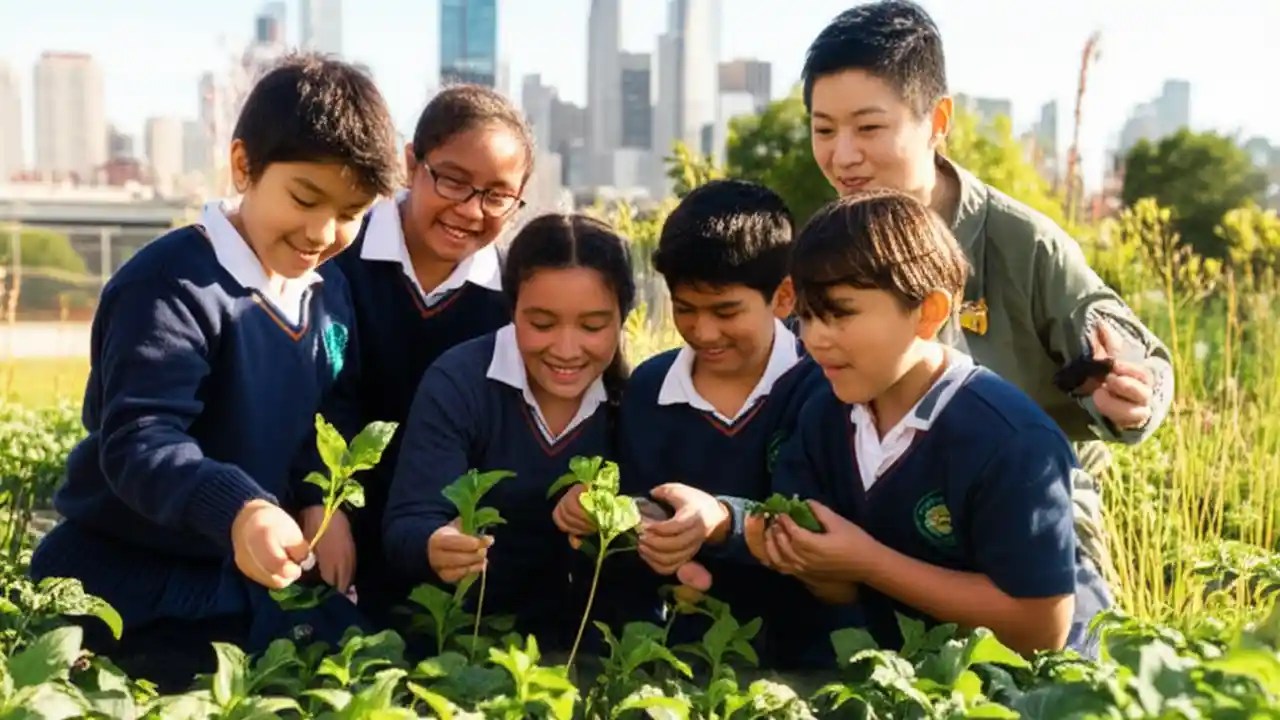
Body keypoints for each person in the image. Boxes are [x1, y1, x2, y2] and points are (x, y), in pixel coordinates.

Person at [28, 55, 401, 690]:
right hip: (132, 565)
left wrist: (320, 498)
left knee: (373, 656)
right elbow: (142, 439)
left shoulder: (326, 288)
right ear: (243, 166)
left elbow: (331, 407)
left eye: (352, 211)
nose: (322, 230)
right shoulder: (170, 285)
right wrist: (240, 510)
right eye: (304, 198)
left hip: (246, 559)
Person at [801, 0, 1173, 576]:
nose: (843, 156)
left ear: (938, 120)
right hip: (872, 521)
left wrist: (1130, 392)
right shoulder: (823, 245)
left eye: (870, 127)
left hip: (1024, 523)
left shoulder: (1022, 243)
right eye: (823, 130)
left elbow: (1122, 344)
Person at [749, 189, 1112, 661]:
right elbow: (840, 595)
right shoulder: (822, 411)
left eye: (841, 314)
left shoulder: (1011, 439)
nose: (816, 338)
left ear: (930, 312)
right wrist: (809, 564)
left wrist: (869, 563)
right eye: (808, 317)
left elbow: (1040, 628)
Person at [553, 180, 825, 666]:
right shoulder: (649, 389)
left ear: (783, 297)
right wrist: (607, 519)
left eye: (725, 311)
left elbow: (824, 531)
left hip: (794, 660)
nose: (703, 331)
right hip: (663, 656)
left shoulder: (823, 388)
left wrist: (720, 526)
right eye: (685, 309)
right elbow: (638, 504)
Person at [299, 85, 533, 621]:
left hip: (444, 547)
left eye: (497, 194)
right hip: (326, 523)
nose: (470, 210)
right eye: (452, 180)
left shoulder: (512, 300)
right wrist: (319, 499)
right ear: (410, 163)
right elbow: (308, 393)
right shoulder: (335, 257)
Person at [382, 213, 635, 650]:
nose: (566, 349)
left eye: (593, 326)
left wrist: (615, 516)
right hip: (460, 642)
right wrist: (436, 543)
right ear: (512, 308)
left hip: (584, 648)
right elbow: (406, 524)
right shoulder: (460, 383)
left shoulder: (633, 402)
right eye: (541, 324)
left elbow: (653, 525)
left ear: (622, 318)